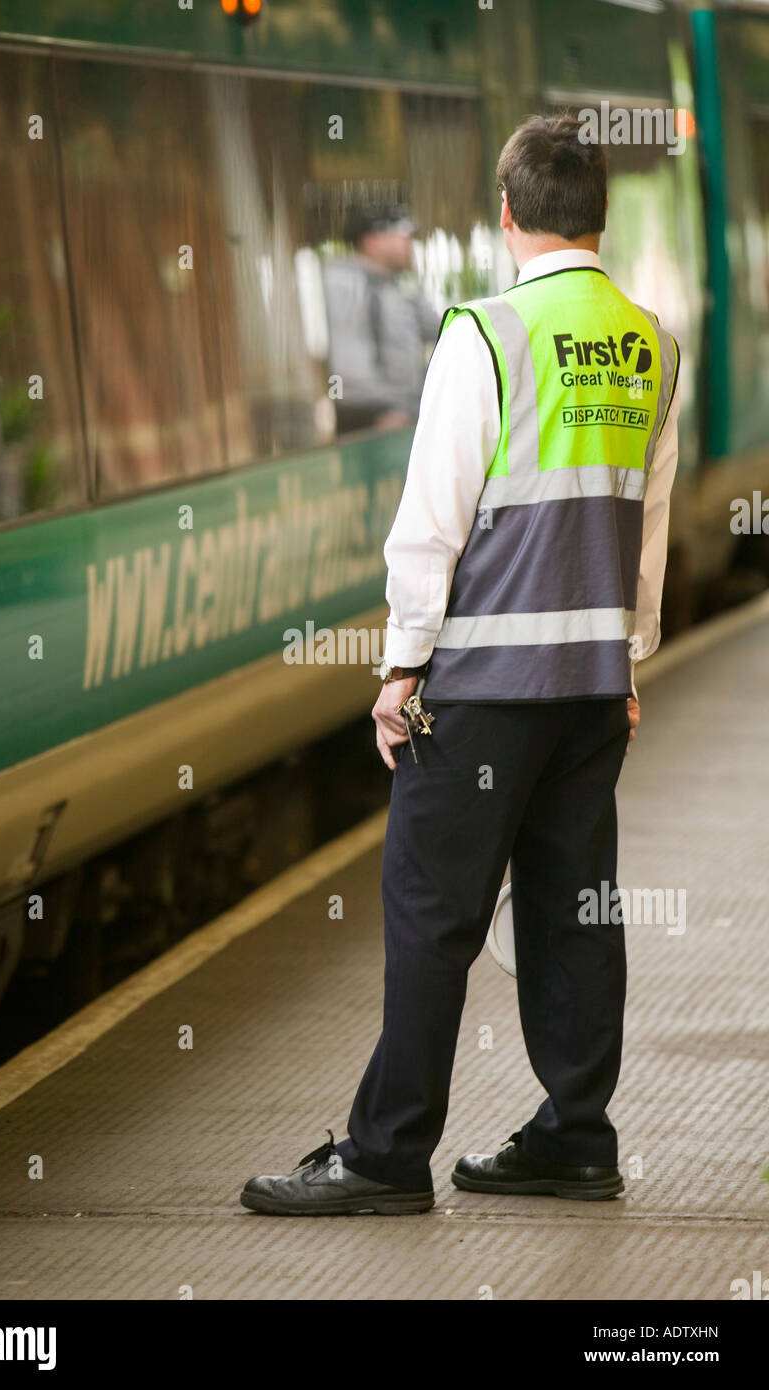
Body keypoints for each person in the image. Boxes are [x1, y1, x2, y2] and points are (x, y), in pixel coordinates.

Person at [241, 115, 680, 1215]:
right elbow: (651, 525)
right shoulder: (651, 342)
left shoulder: (485, 335)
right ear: (600, 215)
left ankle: (388, 1155)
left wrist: (400, 667)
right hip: (587, 688)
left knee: (433, 913)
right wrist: (630, 662)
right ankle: (577, 1136)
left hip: (481, 688)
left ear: (505, 214)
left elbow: (430, 523)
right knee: (574, 908)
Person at [321, 204, 441, 433]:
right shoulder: (347, 284)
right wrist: (382, 411)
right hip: (373, 420)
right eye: (400, 233)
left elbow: (439, 328)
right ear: (371, 241)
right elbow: (347, 370)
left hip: (402, 415)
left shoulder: (396, 284)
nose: (408, 242)